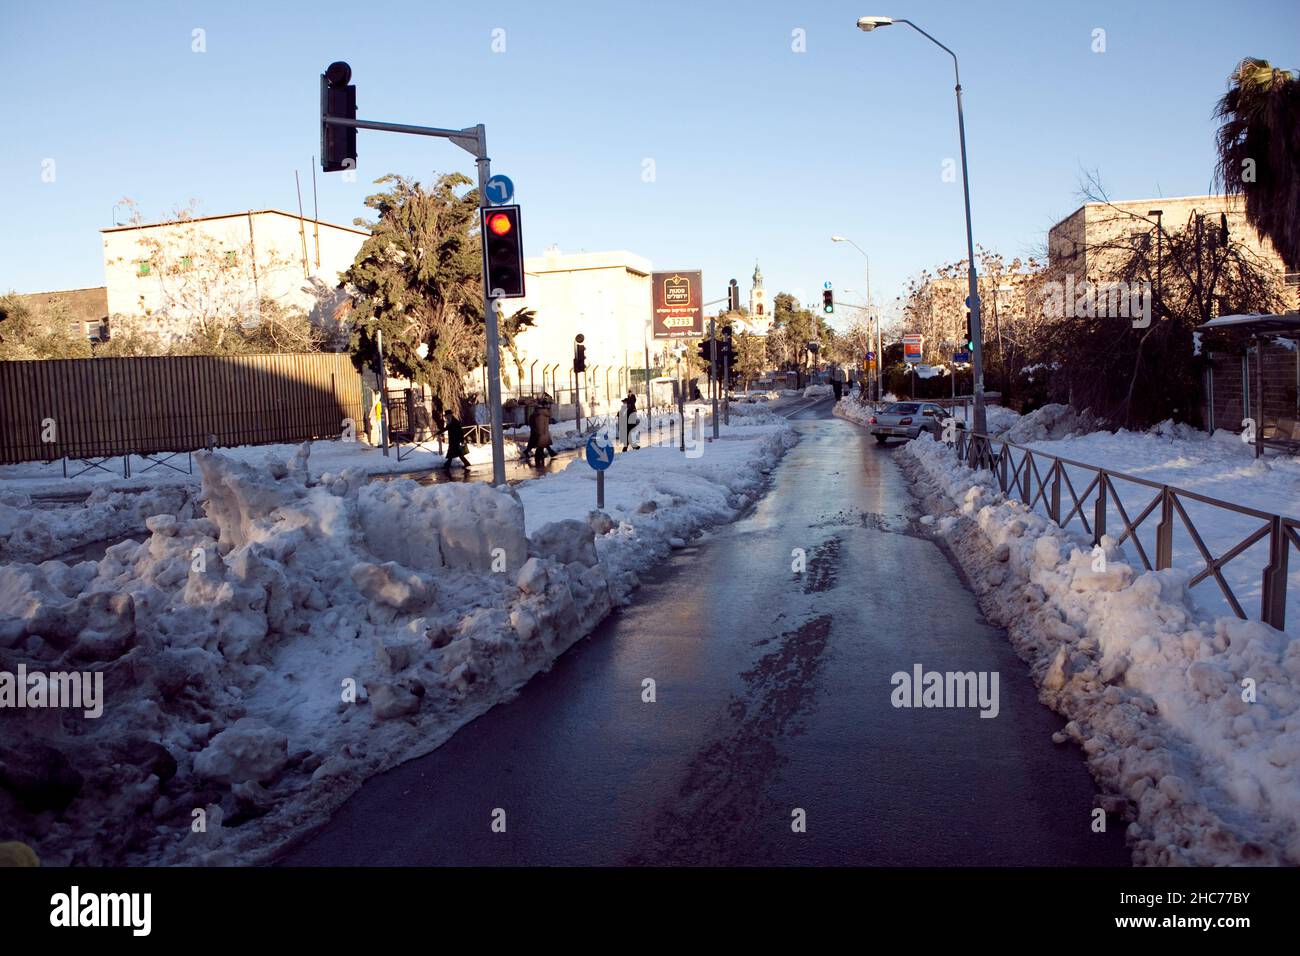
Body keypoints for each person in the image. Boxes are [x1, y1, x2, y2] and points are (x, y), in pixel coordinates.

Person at [525, 402, 555, 466]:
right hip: (540, 432)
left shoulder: (536, 415)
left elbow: (532, 422)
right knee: (539, 444)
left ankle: (543, 455)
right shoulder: (542, 415)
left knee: (538, 444)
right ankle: (539, 459)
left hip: (539, 432)